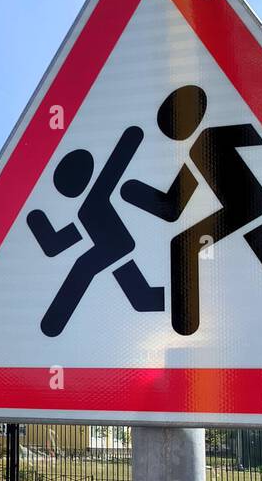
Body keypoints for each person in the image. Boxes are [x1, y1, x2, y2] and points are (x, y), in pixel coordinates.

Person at [122, 85, 262, 336]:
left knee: (184, 245)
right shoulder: (199, 149)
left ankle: (186, 324)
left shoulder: (211, 139)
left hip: (244, 205)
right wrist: (134, 192)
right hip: (248, 207)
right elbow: (173, 206)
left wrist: (132, 191)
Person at [27, 127, 163, 337]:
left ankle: (52, 324)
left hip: (115, 245)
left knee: (85, 268)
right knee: (140, 295)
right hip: (115, 246)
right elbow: (58, 243)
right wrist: (38, 225)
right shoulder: (87, 206)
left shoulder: (94, 198)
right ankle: (52, 325)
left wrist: (38, 223)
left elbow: (120, 157)